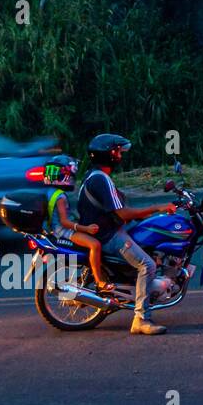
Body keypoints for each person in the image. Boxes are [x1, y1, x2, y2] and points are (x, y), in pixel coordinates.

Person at [75, 134, 176, 336]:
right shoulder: (100, 179)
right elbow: (121, 213)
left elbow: (119, 210)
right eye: (117, 151)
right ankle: (141, 319)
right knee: (147, 265)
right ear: (107, 154)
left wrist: (141, 216)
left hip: (108, 229)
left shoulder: (95, 176)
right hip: (108, 235)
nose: (120, 155)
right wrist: (157, 208)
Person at [42, 155, 110, 294]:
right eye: (71, 175)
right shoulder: (60, 197)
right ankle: (99, 281)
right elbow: (65, 222)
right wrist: (86, 228)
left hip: (55, 229)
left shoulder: (50, 192)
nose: (73, 177)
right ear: (64, 176)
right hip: (63, 231)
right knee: (95, 245)